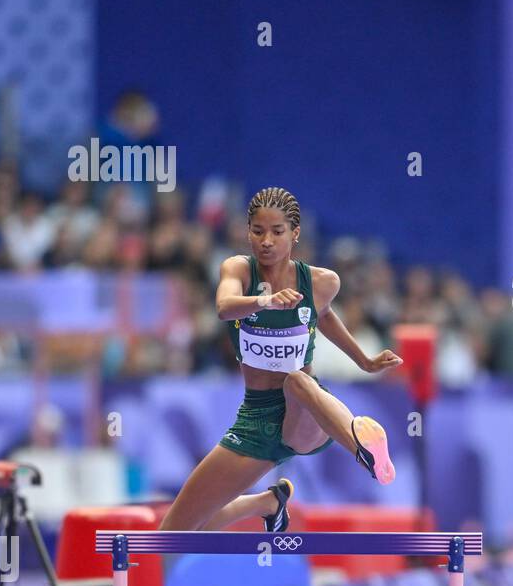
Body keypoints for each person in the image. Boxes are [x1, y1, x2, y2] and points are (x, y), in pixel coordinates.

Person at [159, 187, 402, 533]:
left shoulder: (321, 281)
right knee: (174, 532)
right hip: (255, 421)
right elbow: (224, 307)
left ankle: (361, 444)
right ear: (248, 233)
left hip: (304, 416)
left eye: (277, 232)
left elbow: (325, 314)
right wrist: (265, 302)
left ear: (295, 233)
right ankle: (266, 503)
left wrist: (363, 361)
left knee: (297, 380)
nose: (266, 241)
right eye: (258, 232)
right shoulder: (238, 271)